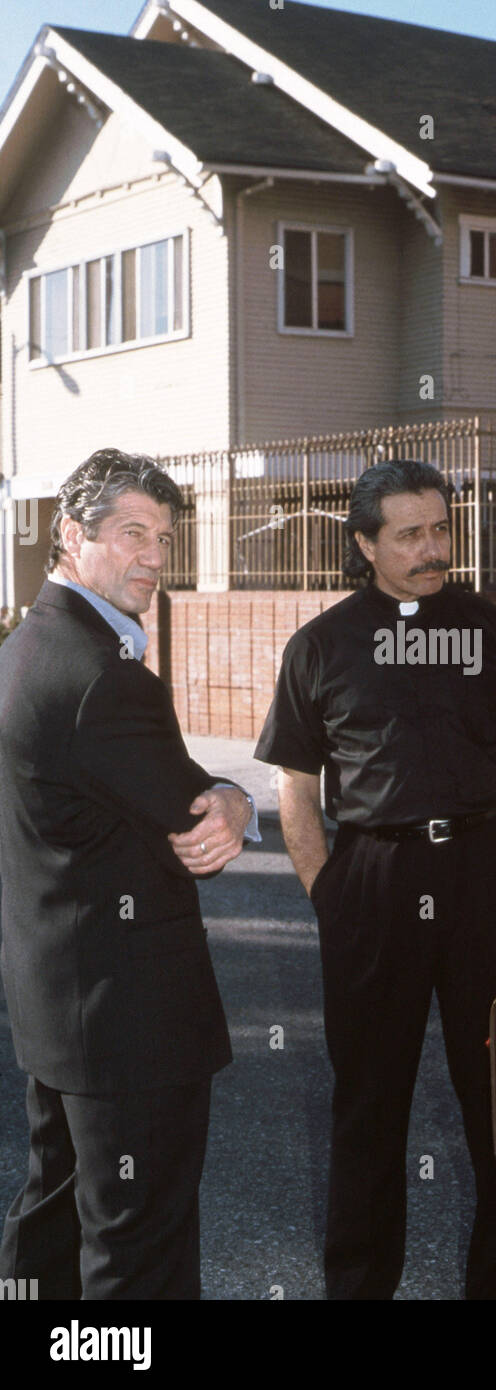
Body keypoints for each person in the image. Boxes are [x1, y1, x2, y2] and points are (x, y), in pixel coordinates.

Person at [255, 458, 496, 1300]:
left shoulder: (487, 626)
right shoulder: (321, 644)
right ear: (365, 544)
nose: (432, 549)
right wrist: (328, 892)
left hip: (484, 874)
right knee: (369, 1107)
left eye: (440, 529)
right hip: (373, 880)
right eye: (409, 535)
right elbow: (292, 784)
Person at [0, 448, 257, 1300]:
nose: (154, 554)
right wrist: (234, 801)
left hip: (60, 1009)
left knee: (53, 1228)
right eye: (132, 533)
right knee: (135, 1253)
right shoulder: (101, 678)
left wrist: (217, 794)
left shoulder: (25, 647)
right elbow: (197, 823)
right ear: (72, 537)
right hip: (128, 1027)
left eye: (166, 536)